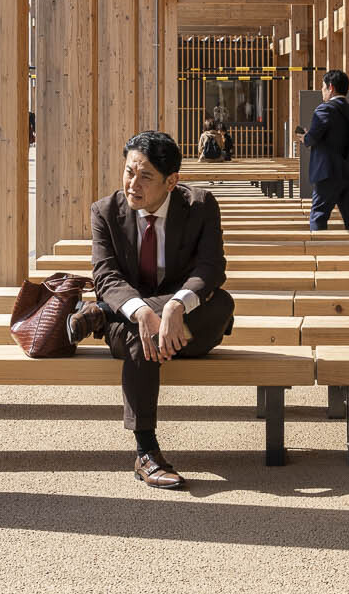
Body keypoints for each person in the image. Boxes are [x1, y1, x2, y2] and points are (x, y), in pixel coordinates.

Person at [72, 130, 235, 489]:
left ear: (172, 181)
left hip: (188, 326)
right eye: (129, 171)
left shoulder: (201, 205)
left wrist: (177, 304)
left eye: (145, 176)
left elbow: (211, 268)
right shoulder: (105, 212)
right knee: (138, 334)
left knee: (221, 303)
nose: (133, 184)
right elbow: (106, 274)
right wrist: (142, 312)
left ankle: (101, 313)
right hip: (132, 326)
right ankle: (146, 451)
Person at [296, 68, 349, 231]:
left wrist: (304, 137)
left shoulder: (324, 109)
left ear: (331, 87)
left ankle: (318, 251)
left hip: (328, 174)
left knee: (319, 215)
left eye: (323, 87)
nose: (322, 91)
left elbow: (313, 137)